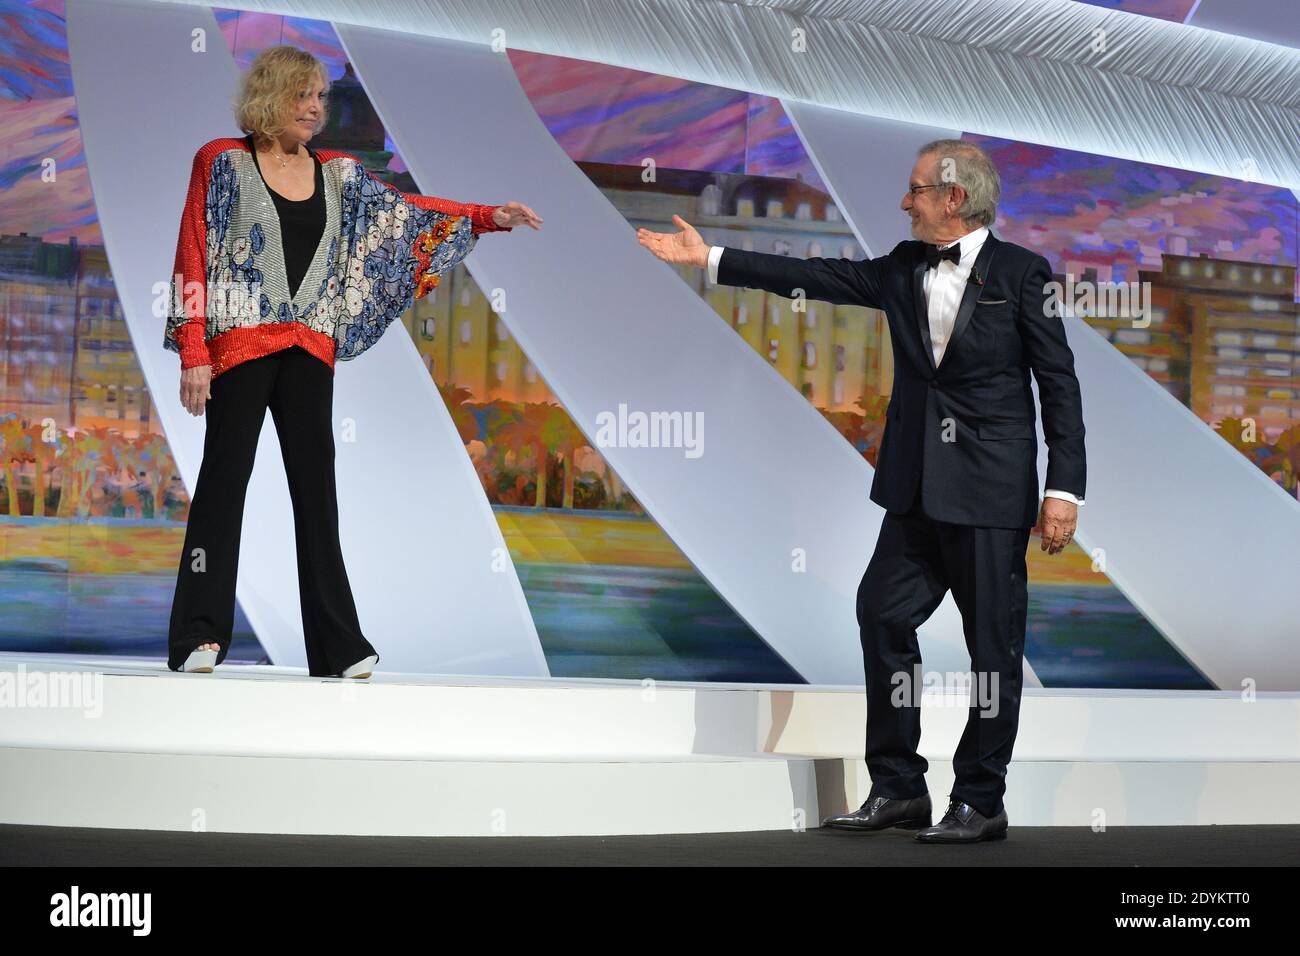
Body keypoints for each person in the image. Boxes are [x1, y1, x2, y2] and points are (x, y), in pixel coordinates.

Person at [637, 139, 1085, 843]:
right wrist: (711, 259)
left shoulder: (1025, 275)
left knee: (991, 651)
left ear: (953, 199)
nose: (904, 203)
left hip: (991, 493)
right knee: (881, 614)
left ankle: (980, 799)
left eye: (915, 191)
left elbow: (1059, 386)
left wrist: (1064, 491)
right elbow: (819, 276)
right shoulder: (905, 266)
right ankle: (899, 787)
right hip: (914, 489)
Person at [164, 45, 542, 679]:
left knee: (318, 492)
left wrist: (487, 217)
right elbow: (194, 249)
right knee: (224, 482)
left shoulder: (338, 172)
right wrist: (194, 349)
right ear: (269, 97)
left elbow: (407, 215)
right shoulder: (221, 161)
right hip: (238, 344)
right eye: (302, 96)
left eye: (320, 97)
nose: (315, 108)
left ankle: (337, 647)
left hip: (310, 346)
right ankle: (198, 635)